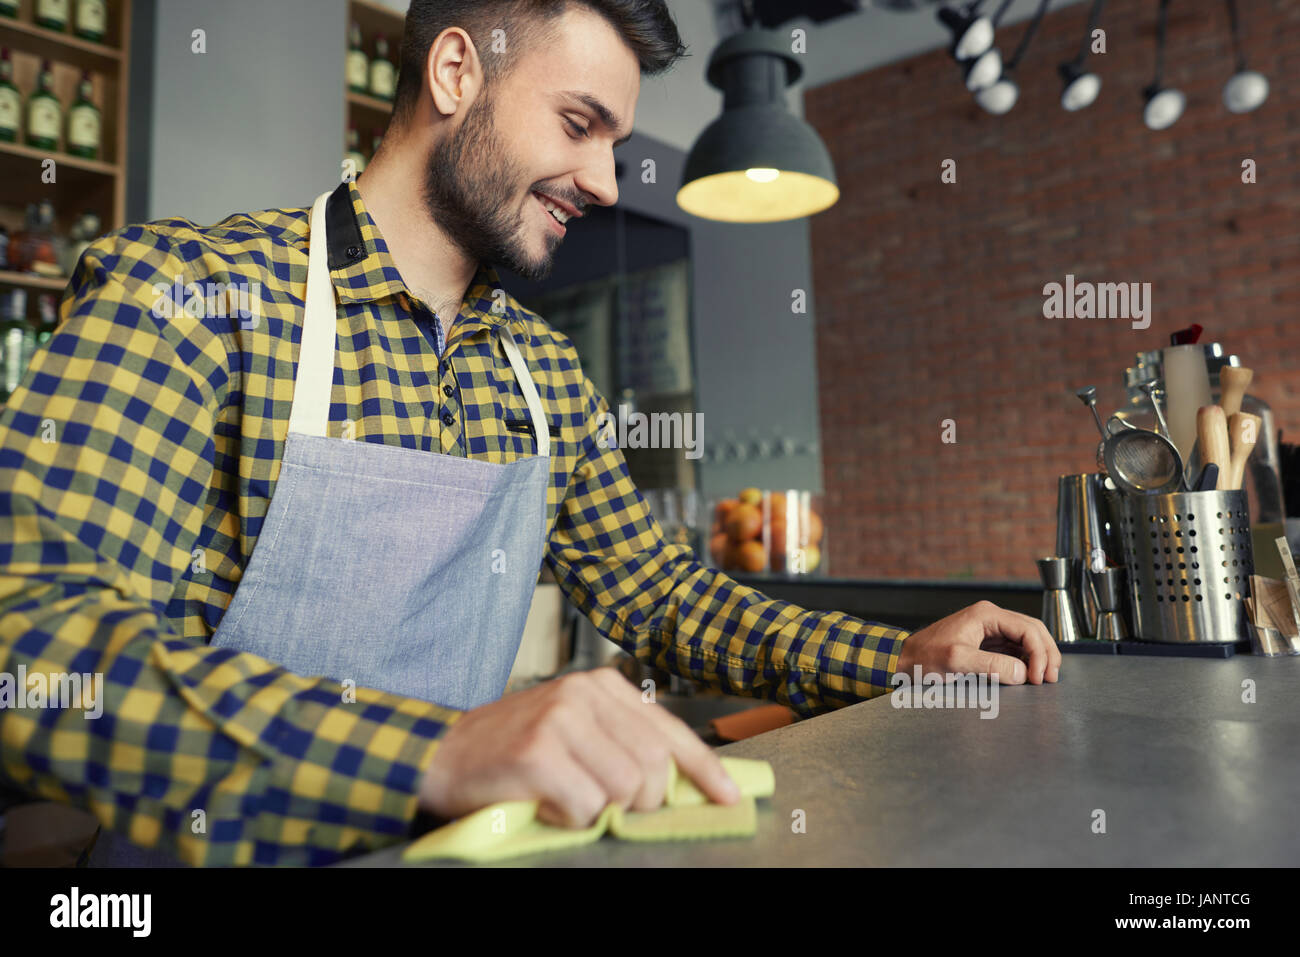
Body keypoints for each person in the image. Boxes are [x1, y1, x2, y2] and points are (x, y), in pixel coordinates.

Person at [0, 0, 1060, 867]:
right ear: (455, 74)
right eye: (578, 124)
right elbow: (29, 637)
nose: (606, 181)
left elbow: (662, 598)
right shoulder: (194, 294)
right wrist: (436, 752)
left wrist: (902, 660)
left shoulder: (542, 373)